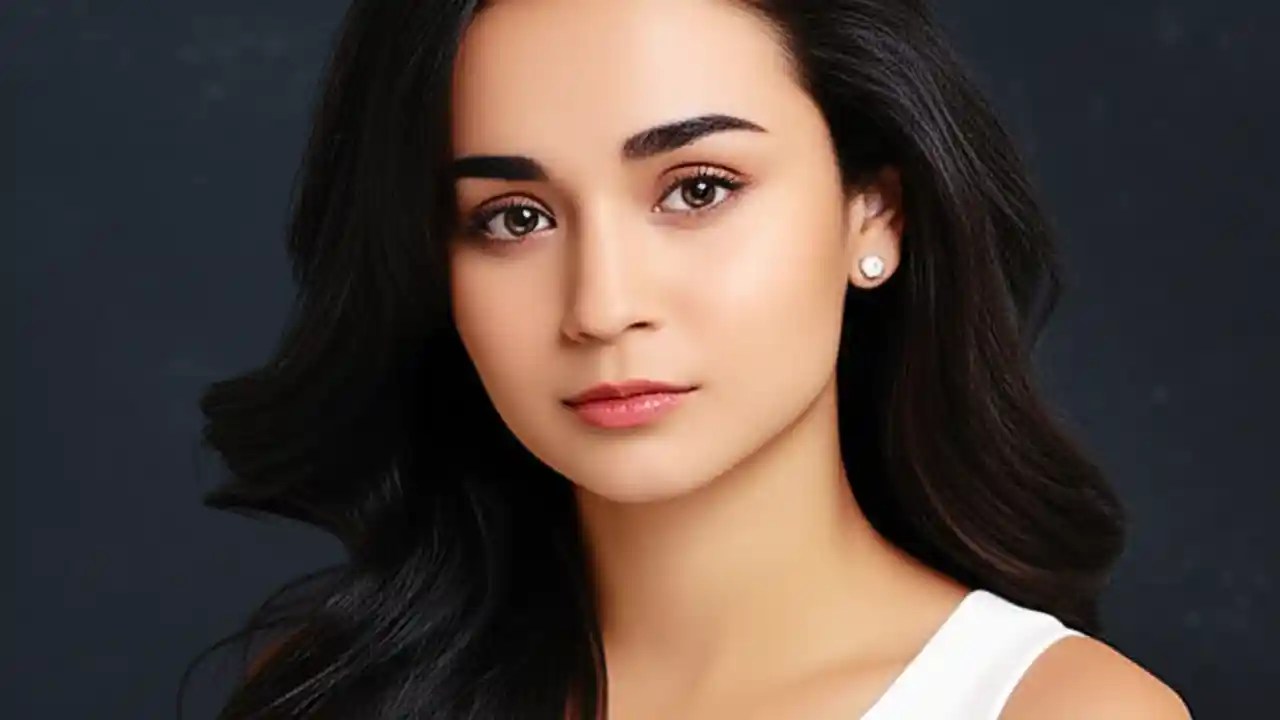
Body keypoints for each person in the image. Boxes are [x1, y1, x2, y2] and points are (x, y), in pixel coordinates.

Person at [179, 0, 1192, 718]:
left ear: (871, 211)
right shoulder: (332, 695)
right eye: (514, 217)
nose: (602, 306)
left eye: (696, 189)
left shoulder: (1054, 712)